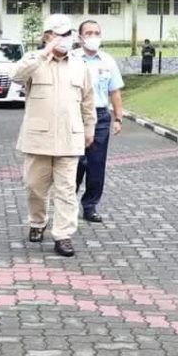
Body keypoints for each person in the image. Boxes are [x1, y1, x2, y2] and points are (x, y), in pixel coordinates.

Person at [14, 14, 95, 257]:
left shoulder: (80, 65)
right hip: (38, 137)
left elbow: (88, 101)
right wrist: (43, 52)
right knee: (35, 187)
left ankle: (63, 235)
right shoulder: (33, 61)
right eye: (59, 34)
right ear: (47, 36)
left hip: (70, 138)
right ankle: (38, 222)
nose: (65, 39)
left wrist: (90, 126)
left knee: (66, 189)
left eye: (68, 34)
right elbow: (16, 75)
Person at [73, 20, 125, 222]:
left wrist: (118, 118)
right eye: (89, 32)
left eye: (96, 32)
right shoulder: (72, 58)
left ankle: (90, 206)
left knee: (96, 164)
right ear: (80, 37)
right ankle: (68, 202)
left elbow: (115, 91)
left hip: (101, 116)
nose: (93, 36)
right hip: (76, 115)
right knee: (75, 162)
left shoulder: (108, 60)